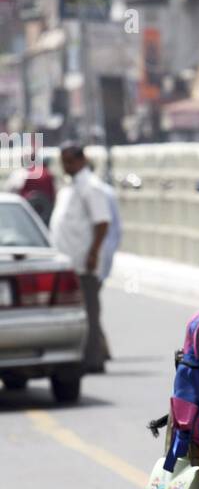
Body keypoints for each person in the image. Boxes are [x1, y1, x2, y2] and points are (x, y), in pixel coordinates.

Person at [49, 142, 111, 374]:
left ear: (81, 160)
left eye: (70, 161)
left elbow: (102, 222)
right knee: (75, 315)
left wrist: (93, 253)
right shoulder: (69, 187)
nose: (66, 165)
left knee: (89, 314)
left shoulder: (90, 187)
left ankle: (93, 360)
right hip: (67, 263)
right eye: (63, 161)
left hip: (84, 263)